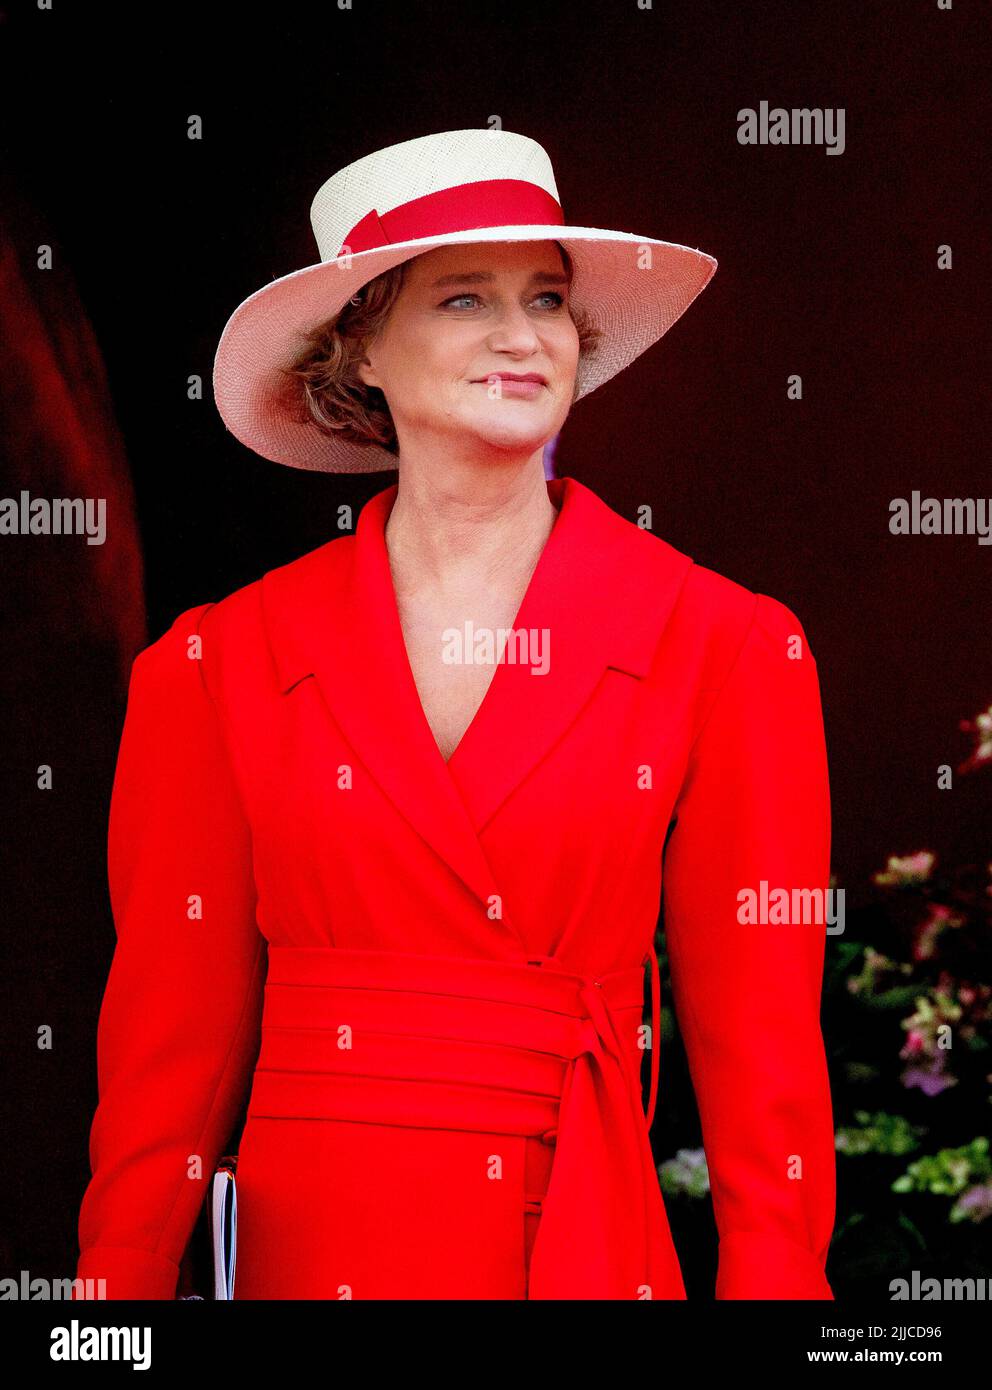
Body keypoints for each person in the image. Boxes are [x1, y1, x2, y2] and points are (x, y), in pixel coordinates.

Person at [74, 128, 835, 1300]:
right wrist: (110, 1300)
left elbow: (764, 1052)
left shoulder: (726, 644)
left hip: (575, 1241)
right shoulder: (213, 662)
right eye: (463, 296)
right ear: (361, 348)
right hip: (308, 1250)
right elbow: (166, 1047)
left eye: (544, 297)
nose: (520, 334)